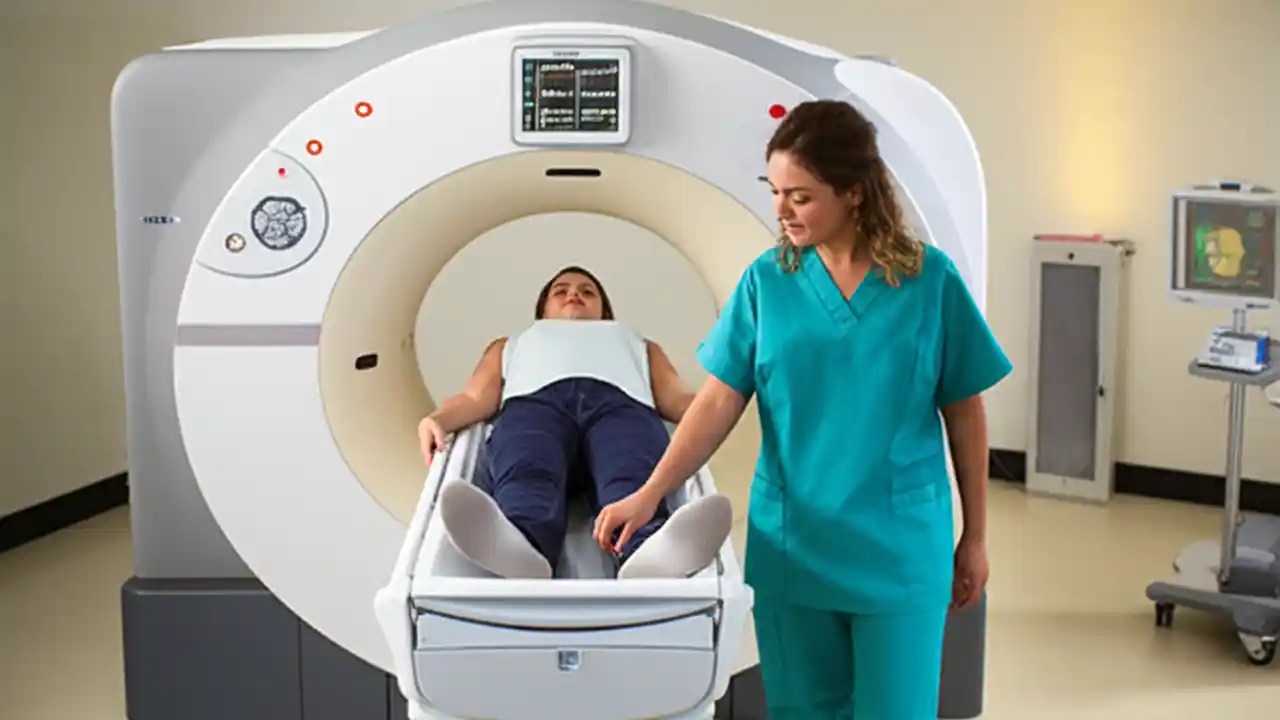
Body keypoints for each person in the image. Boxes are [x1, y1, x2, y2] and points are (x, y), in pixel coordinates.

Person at [592, 100, 1012, 718]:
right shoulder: (767, 281)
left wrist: (975, 537)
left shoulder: (930, 282)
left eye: (801, 196)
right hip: (796, 546)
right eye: (775, 191)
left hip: (899, 547)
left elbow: (965, 412)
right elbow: (718, 400)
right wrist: (650, 493)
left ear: (854, 193)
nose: (782, 210)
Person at [417, 265, 733, 581]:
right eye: (561, 290)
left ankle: (645, 549)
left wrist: (729, 398)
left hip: (621, 407)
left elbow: (677, 399)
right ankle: (523, 545)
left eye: (587, 291)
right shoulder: (514, 343)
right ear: (543, 311)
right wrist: (436, 420)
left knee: (630, 471)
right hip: (535, 404)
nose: (574, 294)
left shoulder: (638, 343)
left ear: (604, 311)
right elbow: (475, 398)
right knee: (528, 465)